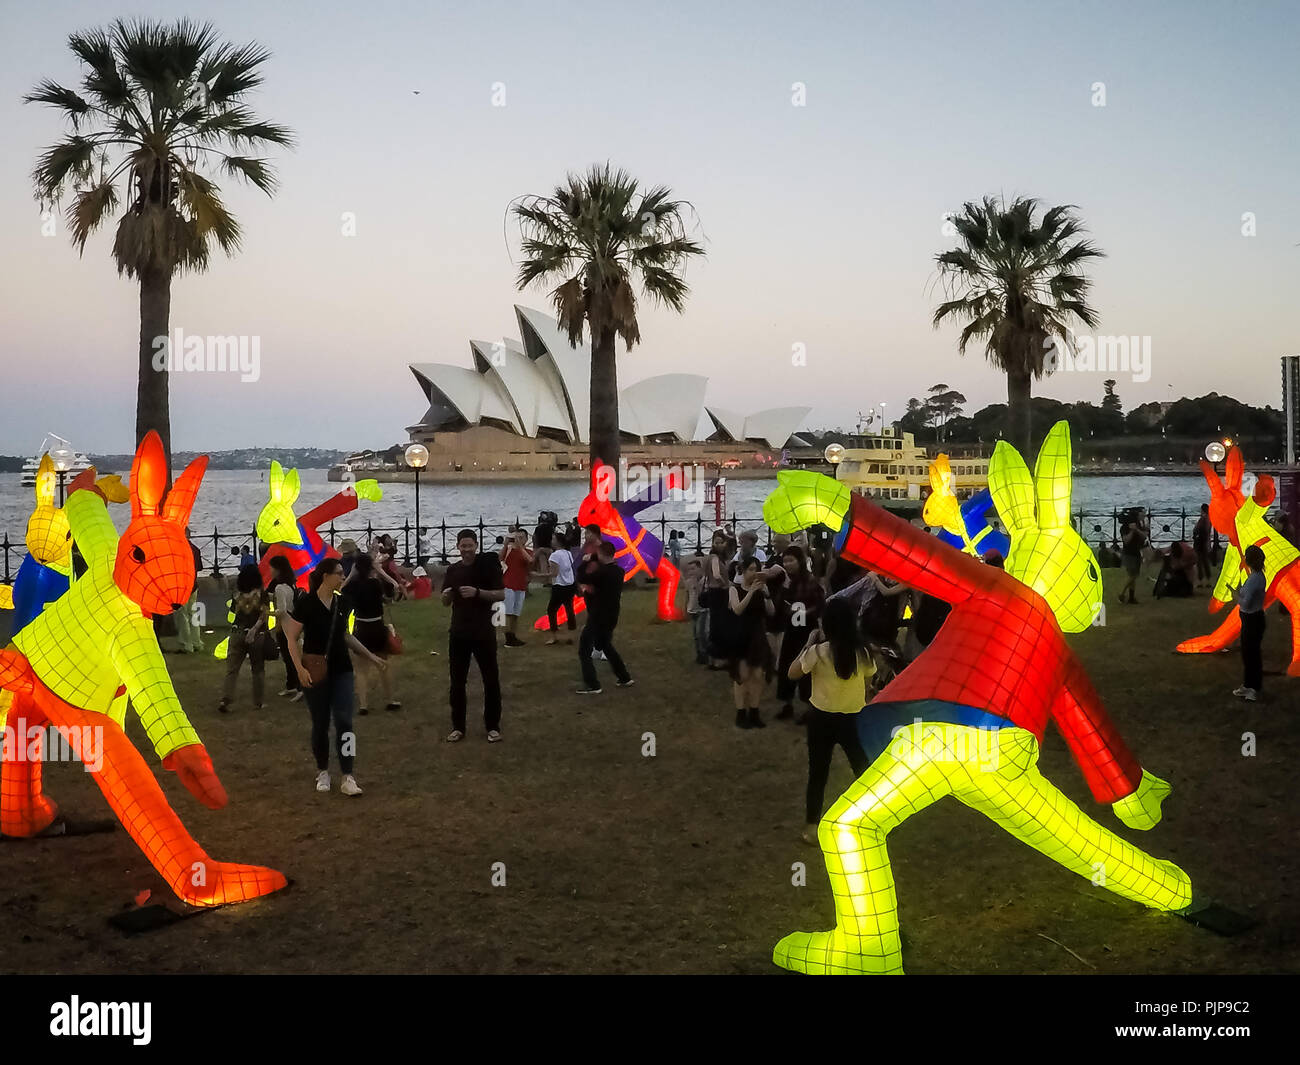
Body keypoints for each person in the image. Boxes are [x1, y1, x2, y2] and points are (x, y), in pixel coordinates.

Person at [283, 557, 385, 796]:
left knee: (345, 722)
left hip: (342, 669)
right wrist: (299, 669)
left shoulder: (343, 603)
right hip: (314, 670)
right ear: (325, 576)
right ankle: (323, 771)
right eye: (339, 573)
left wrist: (372, 656)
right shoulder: (306, 604)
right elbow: (291, 638)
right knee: (320, 723)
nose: (342, 577)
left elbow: (346, 637)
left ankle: (348, 775)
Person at [787, 597, 875, 844]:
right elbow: (868, 682)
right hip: (853, 719)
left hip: (821, 720)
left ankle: (812, 827)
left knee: (818, 774)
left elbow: (792, 672)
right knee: (863, 770)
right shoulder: (864, 652)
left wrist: (807, 644)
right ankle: (871, 816)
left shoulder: (818, 652)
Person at [441, 529, 505, 742]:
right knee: (457, 682)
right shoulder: (453, 570)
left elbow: (501, 594)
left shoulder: (486, 566)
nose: (466, 550)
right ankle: (458, 727)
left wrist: (477, 592)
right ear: (458, 547)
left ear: (476, 545)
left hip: (483, 632)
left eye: (470, 546)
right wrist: (446, 596)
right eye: (463, 546)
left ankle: (493, 726)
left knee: (491, 679)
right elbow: (444, 601)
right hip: (458, 632)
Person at [345, 554, 401, 714]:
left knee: (361, 670)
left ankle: (363, 705)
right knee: (383, 665)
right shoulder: (375, 584)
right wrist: (381, 571)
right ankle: (390, 700)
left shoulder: (353, 585)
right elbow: (394, 589)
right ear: (371, 567)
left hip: (361, 627)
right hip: (377, 626)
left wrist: (350, 575)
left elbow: (340, 590)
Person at [576, 540, 634, 694]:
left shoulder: (602, 573)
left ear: (601, 554)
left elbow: (582, 577)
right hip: (612, 614)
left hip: (597, 616)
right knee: (606, 645)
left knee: (584, 650)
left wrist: (585, 562)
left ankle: (593, 684)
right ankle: (624, 677)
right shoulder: (618, 571)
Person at [774, 546, 824, 720]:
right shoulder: (787, 582)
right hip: (791, 629)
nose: (787, 564)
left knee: (806, 668)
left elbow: (820, 605)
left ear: (800, 561)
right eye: (785, 561)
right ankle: (786, 703)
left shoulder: (810, 582)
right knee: (786, 666)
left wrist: (806, 613)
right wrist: (785, 588)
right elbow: (780, 605)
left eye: (791, 560)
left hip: (806, 631)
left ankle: (807, 707)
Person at [728, 556, 774, 728]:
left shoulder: (761, 590)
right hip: (741, 635)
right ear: (744, 570)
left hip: (758, 636)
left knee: (757, 675)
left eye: (758, 569)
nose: (755, 573)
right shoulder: (735, 589)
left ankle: (754, 711)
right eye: (752, 569)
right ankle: (741, 712)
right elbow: (737, 609)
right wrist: (751, 592)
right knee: (742, 676)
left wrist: (767, 595)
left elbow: (771, 612)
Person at [218, 565, 269, 713]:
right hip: (256, 634)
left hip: (237, 633)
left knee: (232, 669)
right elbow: (263, 615)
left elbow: (233, 612)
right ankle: (258, 702)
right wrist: (253, 630)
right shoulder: (261, 594)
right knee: (257, 669)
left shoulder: (236, 595)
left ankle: (225, 699)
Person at [267, 555, 304, 701]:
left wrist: (267, 612)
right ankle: (291, 685)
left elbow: (281, 610)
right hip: (293, 623)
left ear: (277, 569)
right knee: (290, 656)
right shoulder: (290, 584)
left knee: (290, 657)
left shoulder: (279, 587)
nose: (270, 571)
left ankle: (298, 686)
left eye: (271, 568)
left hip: (285, 625)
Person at [1235, 544, 1267, 702]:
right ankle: (1248, 685)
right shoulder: (1256, 576)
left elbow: (1246, 603)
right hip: (1251, 619)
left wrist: (1237, 597)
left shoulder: (1255, 579)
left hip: (1252, 619)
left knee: (1252, 654)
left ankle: (1254, 688)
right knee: (1248, 653)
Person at [704, 529, 734, 669]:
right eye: (717, 542)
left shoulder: (709, 556)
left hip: (712, 592)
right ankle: (719, 659)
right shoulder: (715, 557)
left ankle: (712, 658)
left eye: (721, 542)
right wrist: (725, 584)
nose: (719, 545)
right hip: (719, 592)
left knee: (714, 624)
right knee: (720, 625)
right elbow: (716, 574)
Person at [173, 526, 206, 654]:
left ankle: (187, 644)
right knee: (193, 615)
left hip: (181, 587)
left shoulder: (177, 550)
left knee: (182, 616)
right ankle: (197, 642)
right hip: (193, 585)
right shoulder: (195, 550)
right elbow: (199, 568)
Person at [499, 528, 534, 647]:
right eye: (516, 537)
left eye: (521, 538)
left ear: (526, 539)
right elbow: (500, 558)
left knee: (515, 613)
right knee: (508, 612)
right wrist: (505, 544)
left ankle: (513, 636)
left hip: (520, 585)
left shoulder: (528, 551)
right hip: (508, 584)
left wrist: (520, 547)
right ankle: (508, 637)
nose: (518, 540)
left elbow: (530, 561)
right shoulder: (509, 550)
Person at [544, 527, 579, 644]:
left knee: (551, 610)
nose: (551, 541)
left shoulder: (554, 555)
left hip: (559, 586)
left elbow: (554, 573)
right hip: (570, 584)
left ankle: (554, 636)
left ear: (558, 542)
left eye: (553, 539)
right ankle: (571, 636)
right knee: (569, 609)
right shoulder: (568, 553)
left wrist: (538, 574)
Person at [684, 555, 709, 664]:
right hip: (692, 609)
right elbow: (688, 595)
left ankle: (705, 654)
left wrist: (696, 585)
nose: (691, 572)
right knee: (695, 634)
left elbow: (703, 595)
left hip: (702, 610)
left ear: (700, 569)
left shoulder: (705, 581)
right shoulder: (689, 582)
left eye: (693, 569)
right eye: (689, 570)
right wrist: (686, 607)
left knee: (701, 633)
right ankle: (699, 655)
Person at [1118, 520, 1146, 604]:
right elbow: (1126, 540)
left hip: (1136, 553)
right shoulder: (1124, 527)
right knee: (1133, 575)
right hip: (1128, 554)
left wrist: (1136, 529)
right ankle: (1121, 593)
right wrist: (1132, 531)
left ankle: (1131, 597)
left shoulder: (1138, 525)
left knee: (1133, 576)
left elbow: (1144, 537)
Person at [1192, 503, 1213, 588]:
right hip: (1205, 542)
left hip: (1200, 543)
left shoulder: (1203, 519)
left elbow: (1197, 529)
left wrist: (1195, 533)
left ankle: (1200, 581)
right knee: (1205, 562)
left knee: (1199, 562)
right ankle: (1208, 580)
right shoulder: (1209, 519)